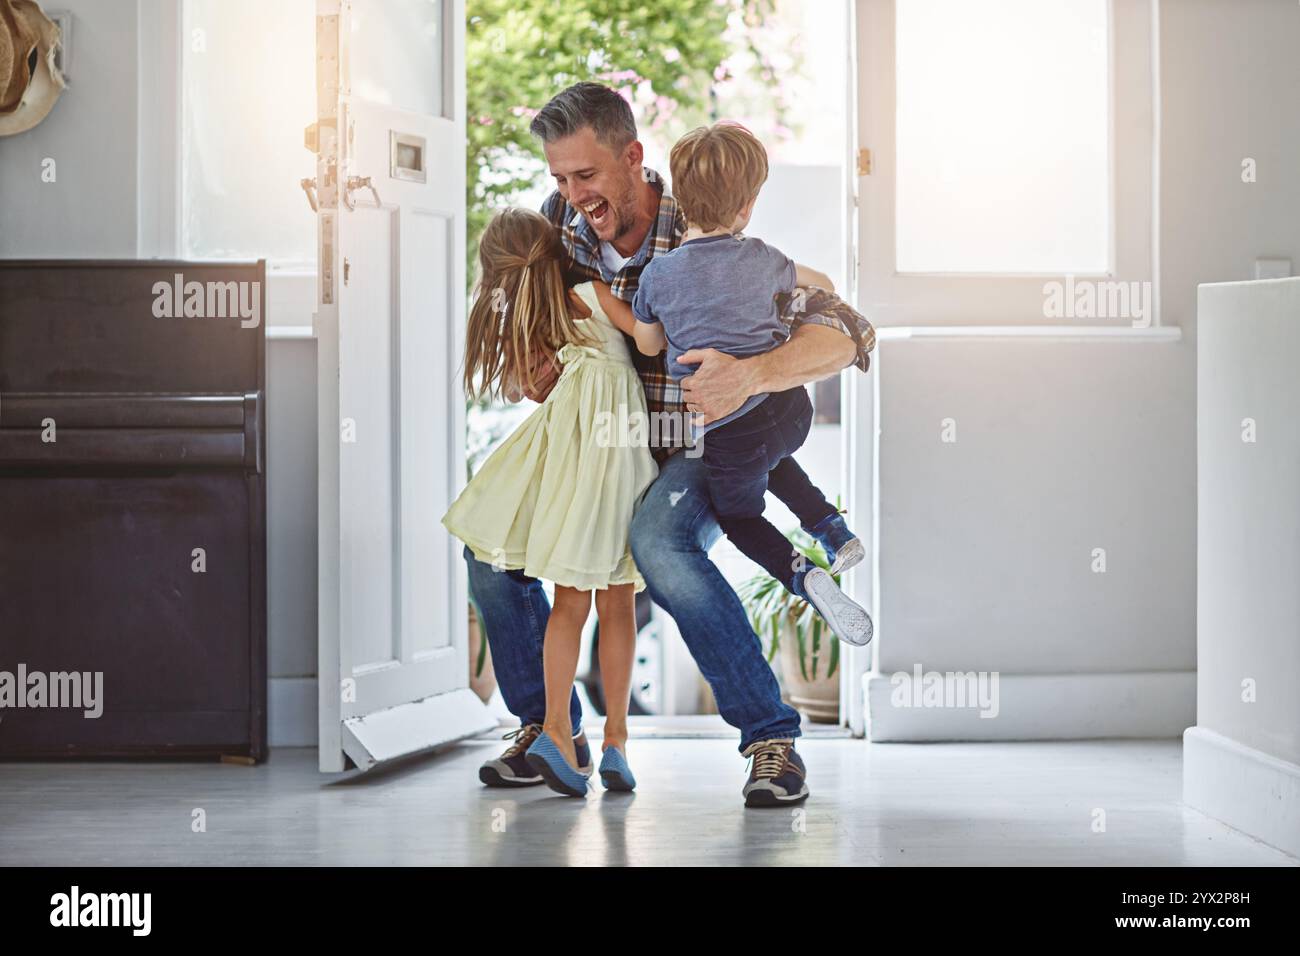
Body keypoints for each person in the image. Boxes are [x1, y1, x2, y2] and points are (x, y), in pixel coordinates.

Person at [469, 82, 875, 807]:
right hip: (599, 449)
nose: (570, 194)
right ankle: (552, 731)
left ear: (632, 156)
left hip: (702, 445)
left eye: (585, 176)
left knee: (660, 544)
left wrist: (752, 372)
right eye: (559, 178)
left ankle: (771, 740)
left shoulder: (709, 221)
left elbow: (844, 331)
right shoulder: (560, 229)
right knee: (491, 550)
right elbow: (545, 319)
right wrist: (538, 361)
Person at [626, 121, 872, 647]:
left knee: (739, 515)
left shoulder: (659, 276)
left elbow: (647, 344)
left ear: (681, 201)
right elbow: (824, 284)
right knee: (775, 456)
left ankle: (802, 574)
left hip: (730, 435)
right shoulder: (765, 258)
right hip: (789, 413)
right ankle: (831, 529)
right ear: (747, 206)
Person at [443, 208, 657, 797]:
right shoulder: (587, 293)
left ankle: (557, 731)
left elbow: (515, 388)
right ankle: (614, 740)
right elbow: (647, 338)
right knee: (617, 605)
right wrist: (656, 320)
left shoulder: (540, 318)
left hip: (570, 473)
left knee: (569, 602)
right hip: (622, 455)